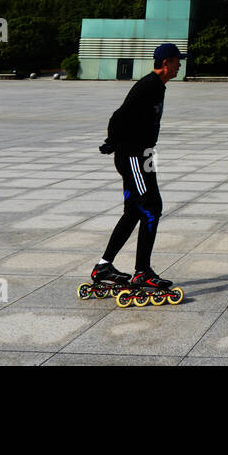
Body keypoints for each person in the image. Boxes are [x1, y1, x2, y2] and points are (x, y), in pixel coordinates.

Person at [91, 43, 184, 294]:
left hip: (145, 154)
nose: (180, 65)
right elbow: (118, 116)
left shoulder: (159, 86)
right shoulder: (149, 85)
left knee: (133, 212)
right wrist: (113, 141)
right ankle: (142, 271)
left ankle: (103, 267)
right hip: (134, 155)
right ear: (166, 62)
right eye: (177, 61)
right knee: (152, 208)